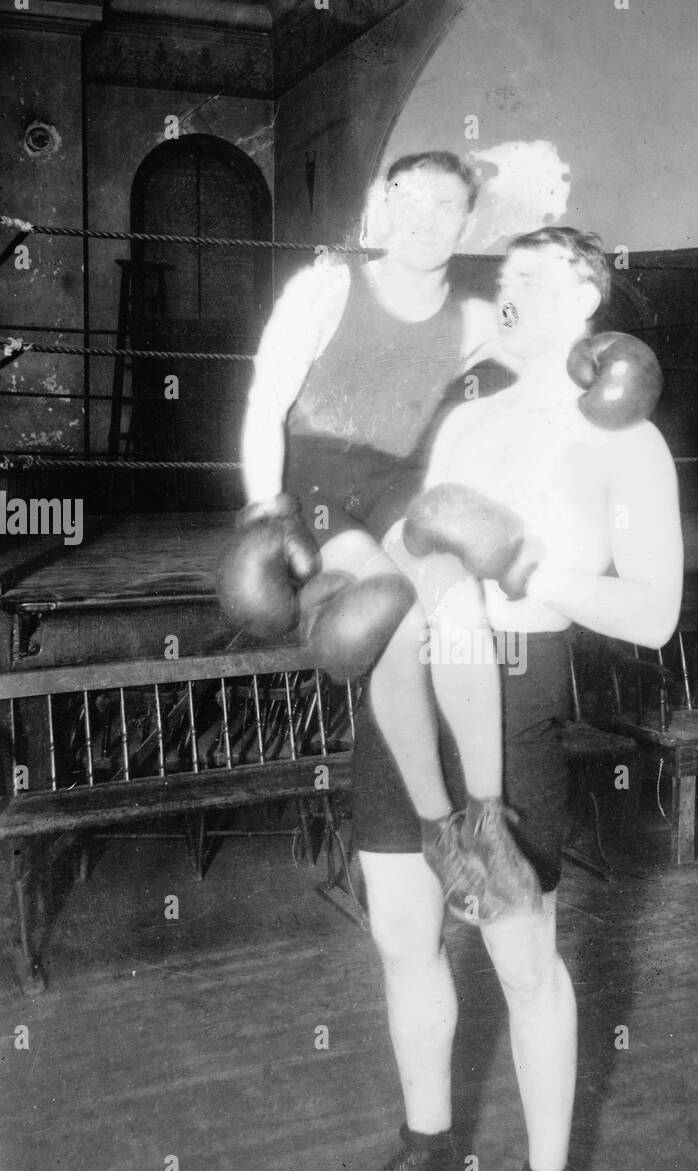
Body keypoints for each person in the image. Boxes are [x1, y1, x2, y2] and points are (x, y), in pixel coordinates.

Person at [314, 226, 684, 1171]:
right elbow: (412, 555)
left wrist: (528, 561)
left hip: (515, 689)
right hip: (410, 678)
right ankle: (429, 1148)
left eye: (533, 276)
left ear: (589, 301)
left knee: (524, 962)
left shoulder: (623, 439)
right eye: (502, 276)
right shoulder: (466, 419)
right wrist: (336, 580)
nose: (507, 290)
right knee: (400, 936)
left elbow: (653, 615)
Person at [221, 150, 541, 921]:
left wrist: (588, 365)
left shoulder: (470, 316)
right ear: (383, 205)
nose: (427, 220)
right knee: (398, 620)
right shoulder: (328, 286)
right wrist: (266, 512)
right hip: (318, 491)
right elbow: (265, 399)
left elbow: (543, 355)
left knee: (459, 603)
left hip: (396, 483)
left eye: (446, 208)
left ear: (468, 222)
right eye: (413, 201)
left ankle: (488, 821)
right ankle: (435, 827)